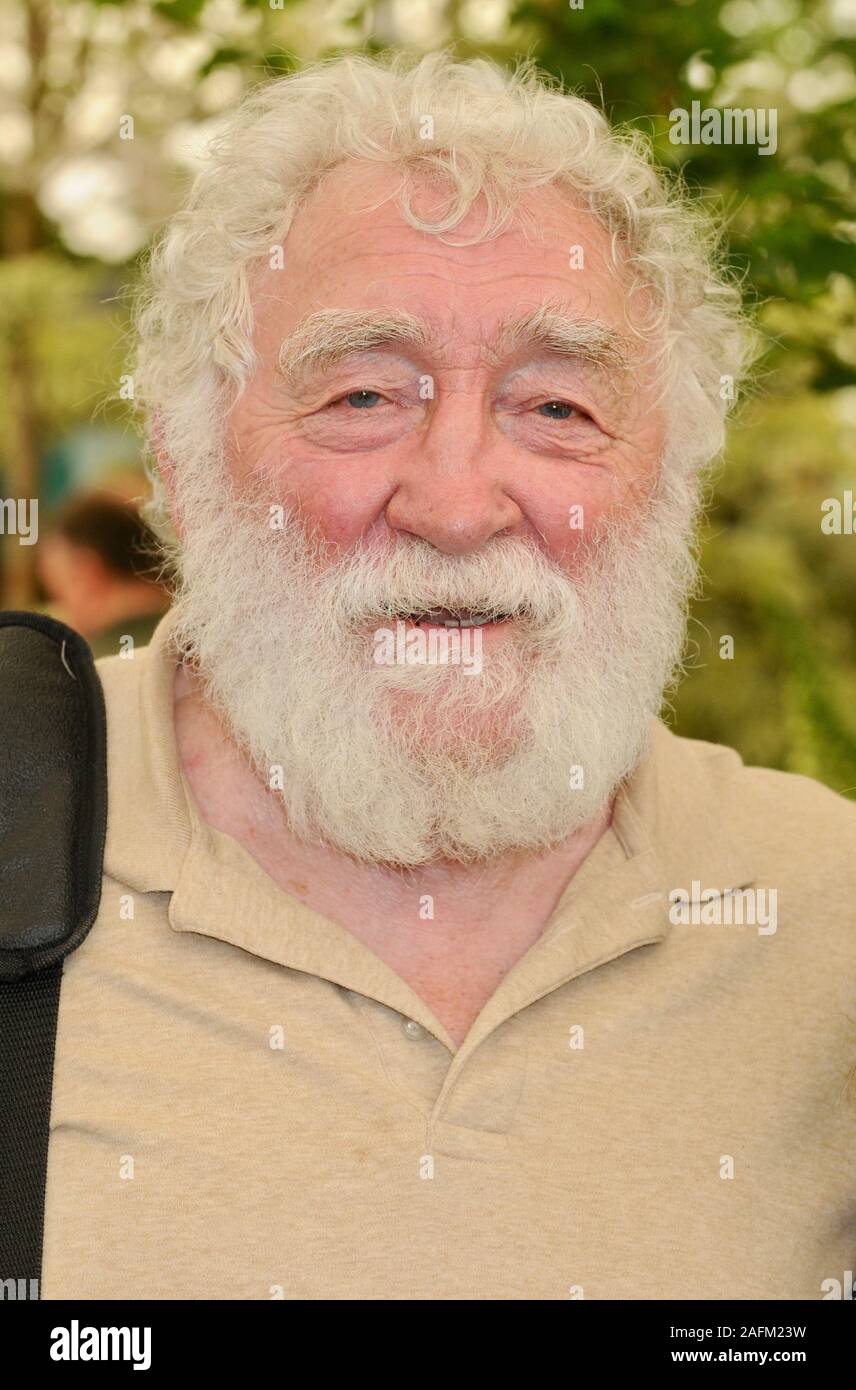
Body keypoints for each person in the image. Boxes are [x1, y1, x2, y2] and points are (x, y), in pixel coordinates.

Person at [40, 51, 854, 1300]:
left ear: (672, 476)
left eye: (560, 409)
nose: (460, 503)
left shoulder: (822, 915)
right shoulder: (17, 819)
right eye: (363, 394)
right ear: (183, 460)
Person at [36, 491, 169, 658]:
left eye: (59, 595)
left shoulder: (87, 670)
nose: (61, 611)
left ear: (90, 577)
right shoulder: (201, 634)